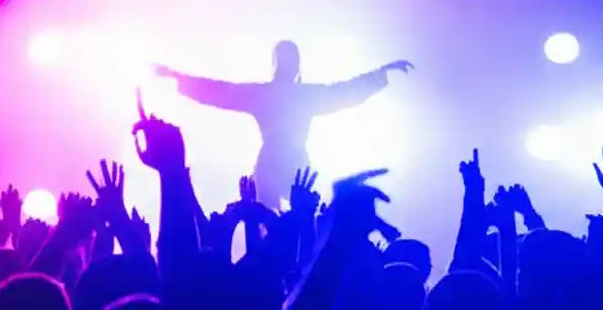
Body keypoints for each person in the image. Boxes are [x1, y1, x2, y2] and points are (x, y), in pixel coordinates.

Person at [154, 40, 413, 203]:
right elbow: (220, 91)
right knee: (274, 217)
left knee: (293, 216)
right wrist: (180, 78)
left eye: (291, 59)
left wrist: (380, 74)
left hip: (289, 159)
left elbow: (343, 93)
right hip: (282, 160)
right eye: (284, 58)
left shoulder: (293, 95)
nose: (288, 64)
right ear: (276, 63)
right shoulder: (272, 94)